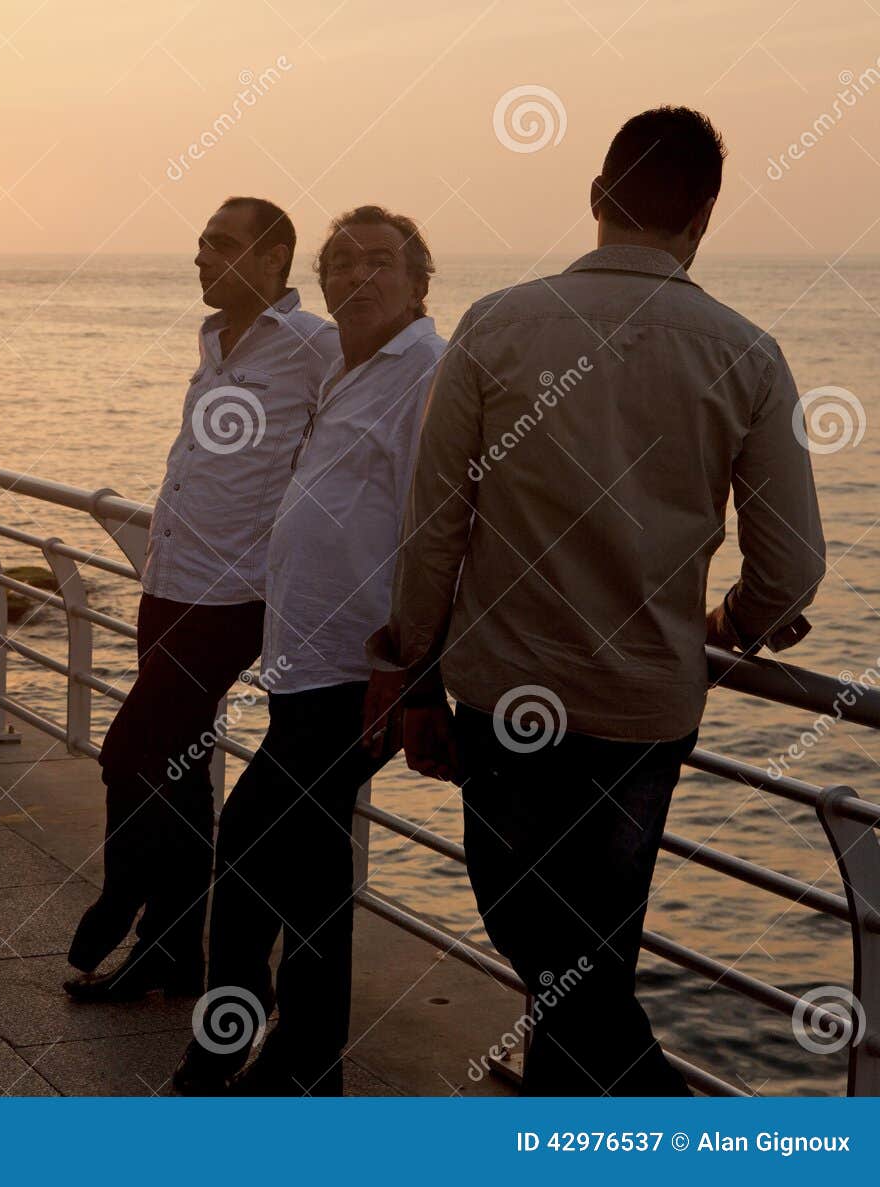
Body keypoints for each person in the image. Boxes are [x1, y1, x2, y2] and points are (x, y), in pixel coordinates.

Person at [362, 107, 826, 1096]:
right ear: (703, 214)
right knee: (589, 960)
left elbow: (433, 527)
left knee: (557, 959)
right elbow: (790, 568)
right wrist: (728, 627)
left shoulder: (497, 323)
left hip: (502, 698)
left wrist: (412, 679)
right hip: (642, 708)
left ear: (594, 198)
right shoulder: (744, 353)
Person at [171, 207, 445, 1096]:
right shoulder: (345, 369)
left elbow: (444, 531)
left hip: (358, 673)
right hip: (305, 663)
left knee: (250, 844)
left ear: (418, 284)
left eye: (379, 263)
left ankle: (225, 1050)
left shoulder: (425, 375)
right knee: (314, 864)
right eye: (341, 263)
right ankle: (308, 1063)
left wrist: (411, 671)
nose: (357, 276)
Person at [65, 197, 340, 1004]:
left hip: (235, 592)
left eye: (219, 245)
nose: (200, 257)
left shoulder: (316, 347)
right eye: (199, 243)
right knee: (180, 773)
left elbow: (349, 455)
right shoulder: (215, 340)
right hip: (168, 577)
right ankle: (174, 950)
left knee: (132, 752)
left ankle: (122, 904)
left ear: (273, 258)